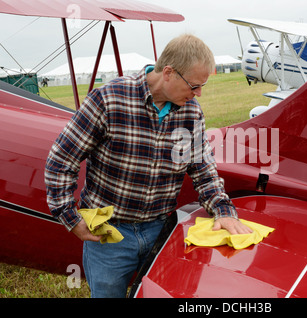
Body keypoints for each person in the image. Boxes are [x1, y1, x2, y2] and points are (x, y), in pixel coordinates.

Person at [45, 34, 252, 298]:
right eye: (194, 85)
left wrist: (223, 211)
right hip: (109, 232)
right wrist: (69, 217)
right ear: (168, 73)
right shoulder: (109, 100)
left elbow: (203, 170)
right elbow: (61, 158)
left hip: (160, 229)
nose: (198, 93)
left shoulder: (191, 112)